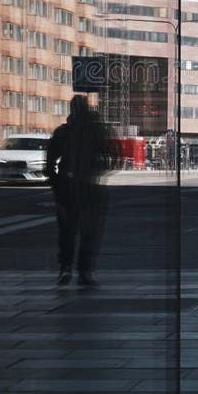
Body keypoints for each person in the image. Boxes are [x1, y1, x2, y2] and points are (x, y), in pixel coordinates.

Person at [46, 95, 115, 287]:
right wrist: (98, 172)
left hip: (68, 186)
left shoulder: (64, 131)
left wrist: (56, 182)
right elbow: (113, 155)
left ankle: (66, 267)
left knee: (67, 231)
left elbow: (50, 160)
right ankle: (85, 272)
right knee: (90, 232)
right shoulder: (97, 130)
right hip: (90, 186)